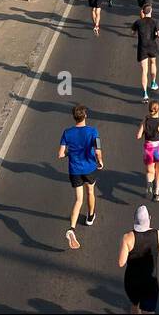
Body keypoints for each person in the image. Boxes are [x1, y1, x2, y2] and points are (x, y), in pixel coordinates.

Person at [59, 104, 103, 249]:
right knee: (90, 192)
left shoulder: (67, 133)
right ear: (85, 116)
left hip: (74, 170)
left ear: (74, 117)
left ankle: (71, 229)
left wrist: (69, 153)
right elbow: (97, 150)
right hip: (90, 168)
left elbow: (60, 154)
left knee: (78, 200)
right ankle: (90, 217)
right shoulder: (93, 131)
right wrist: (100, 161)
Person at [118, 205, 159, 314]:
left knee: (134, 305)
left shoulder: (127, 237)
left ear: (135, 220)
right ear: (149, 218)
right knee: (149, 311)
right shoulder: (158, 234)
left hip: (132, 281)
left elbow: (121, 263)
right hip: (150, 281)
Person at [137, 100, 159, 199]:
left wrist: (144, 130)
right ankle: (156, 193)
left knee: (150, 171)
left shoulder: (145, 121)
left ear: (149, 110)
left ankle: (149, 184)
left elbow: (138, 136)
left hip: (148, 149)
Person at [131, 6, 159, 98]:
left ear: (143, 12)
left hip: (142, 47)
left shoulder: (138, 22)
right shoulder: (155, 22)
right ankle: (153, 83)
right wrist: (157, 34)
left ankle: (145, 93)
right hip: (152, 46)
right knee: (153, 63)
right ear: (151, 11)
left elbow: (132, 32)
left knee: (144, 71)